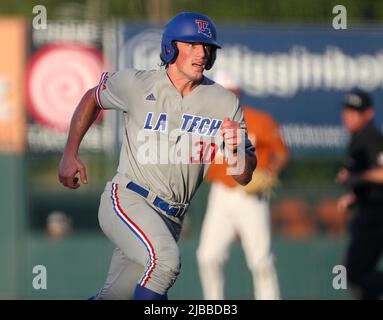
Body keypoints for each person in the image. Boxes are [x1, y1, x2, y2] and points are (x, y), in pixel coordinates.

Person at [58, 12, 256, 300]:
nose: (202, 53)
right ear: (170, 48)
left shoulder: (224, 103)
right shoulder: (138, 84)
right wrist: (69, 153)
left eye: (207, 47)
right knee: (165, 262)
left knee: (113, 298)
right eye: (192, 45)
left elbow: (243, 176)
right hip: (128, 199)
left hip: (171, 218)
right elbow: (93, 97)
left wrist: (236, 149)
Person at [197, 71, 289, 300]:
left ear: (239, 93)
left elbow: (281, 152)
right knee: (207, 256)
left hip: (250, 194)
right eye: (222, 92)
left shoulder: (259, 120)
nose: (228, 96)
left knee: (260, 260)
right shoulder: (206, 123)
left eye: (232, 92)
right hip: (221, 193)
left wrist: (269, 171)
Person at [336, 89, 383, 300]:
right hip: (368, 209)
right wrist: (354, 197)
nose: (349, 115)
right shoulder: (359, 139)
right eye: (347, 110)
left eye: (355, 111)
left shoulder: (371, 138)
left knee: (352, 272)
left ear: (368, 113)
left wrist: (357, 178)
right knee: (354, 274)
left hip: (377, 214)